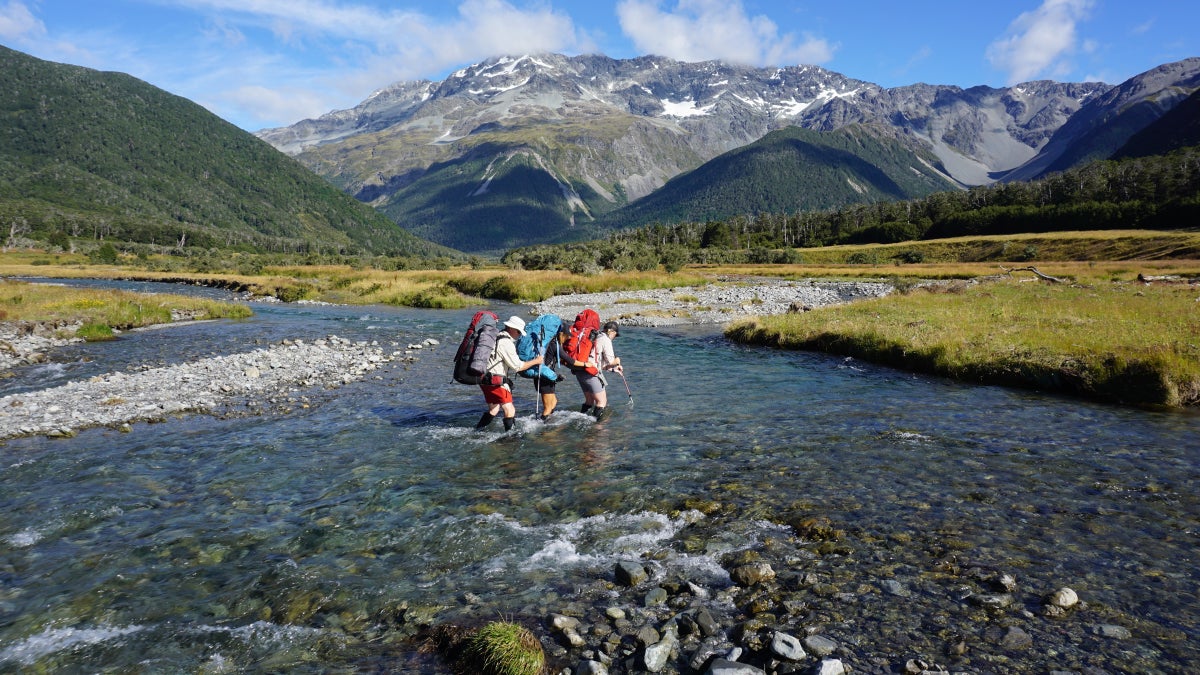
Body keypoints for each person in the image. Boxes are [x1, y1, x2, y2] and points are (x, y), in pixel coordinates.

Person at [476, 316, 543, 432]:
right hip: (496, 382)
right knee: (510, 409)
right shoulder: (506, 343)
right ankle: (510, 438)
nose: (519, 335)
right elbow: (518, 366)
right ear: (511, 328)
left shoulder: (495, 336)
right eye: (518, 332)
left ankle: (477, 431)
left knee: (494, 409)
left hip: (483, 379)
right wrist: (536, 361)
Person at [574, 320, 622, 421]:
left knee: (589, 401)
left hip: (580, 370)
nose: (614, 338)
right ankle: (597, 427)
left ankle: (580, 419)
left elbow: (599, 363)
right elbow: (611, 361)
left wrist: (613, 370)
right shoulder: (605, 339)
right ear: (612, 332)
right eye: (615, 335)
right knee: (602, 402)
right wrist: (617, 360)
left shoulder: (595, 335)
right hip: (590, 373)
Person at [532, 325, 568, 422]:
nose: (568, 338)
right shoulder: (554, 345)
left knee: (554, 402)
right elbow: (569, 360)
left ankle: (547, 422)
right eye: (567, 336)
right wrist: (585, 365)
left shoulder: (550, 343)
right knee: (548, 407)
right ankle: (540, 425)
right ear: (561, 335)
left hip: (547, 376)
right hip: (544, 377)